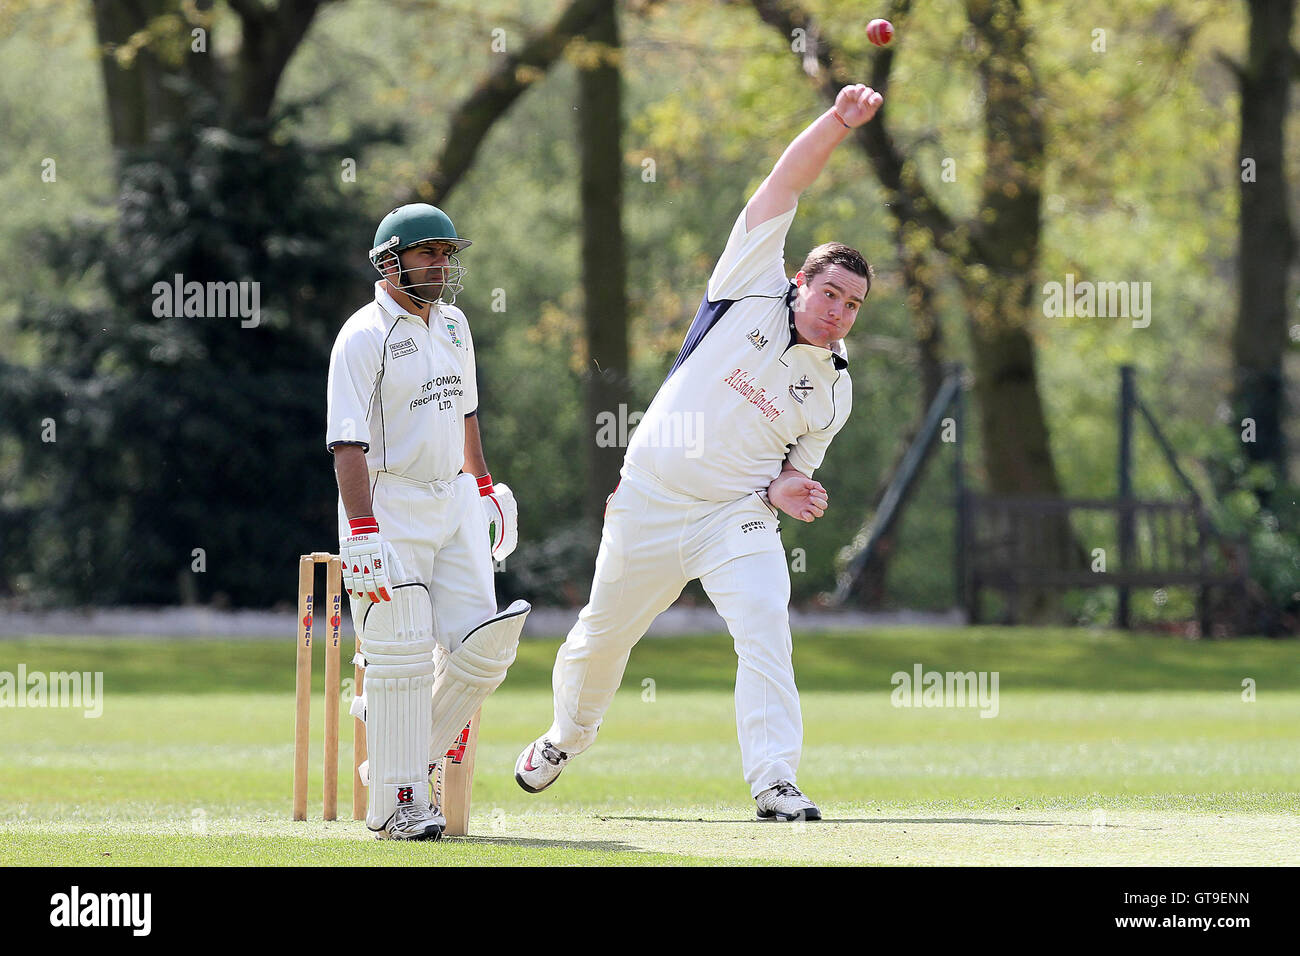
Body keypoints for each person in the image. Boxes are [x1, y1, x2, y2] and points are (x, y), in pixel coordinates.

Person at [514, 85, 883, 821]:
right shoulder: (746, 284)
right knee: (599, 638)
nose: (837, 314)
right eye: (829, 294)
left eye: (852, 306)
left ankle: (775, 782)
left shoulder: (834, 389)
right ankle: (565, 735)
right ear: (798, 281)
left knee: (765, 626)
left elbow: (791, 476)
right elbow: (785, 182)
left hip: (734, 516)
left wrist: (787, 492)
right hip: (650, 498)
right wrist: (838, 123)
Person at [327, 203, 529, 840]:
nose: (441, 266)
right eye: (427, 255)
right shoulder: (362, 336)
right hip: (389, 503)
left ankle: (395, 765)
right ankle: (398, 804)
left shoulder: (457, 326)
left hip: (455, 497)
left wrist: (486, 485)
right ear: (391, 264)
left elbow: (465, 412)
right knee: (399, 657)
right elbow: (347, 442)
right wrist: (361, 528)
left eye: (447, 254)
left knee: (487, 645)